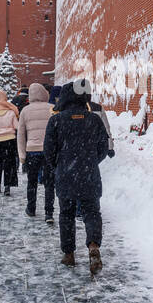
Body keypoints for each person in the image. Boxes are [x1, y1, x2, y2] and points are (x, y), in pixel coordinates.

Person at [44, 78, 110, 274]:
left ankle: (69, 254)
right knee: (91, 212)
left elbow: (49, 150)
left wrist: (60, 164)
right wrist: (89, 162)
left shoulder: (56, 120)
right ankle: (93, 245)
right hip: (89, 175)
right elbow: (103, 148)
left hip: (65, 175)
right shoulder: (94, 120)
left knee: (66, 214)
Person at [17, 83, 55, 223]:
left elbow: (21, 135)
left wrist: (22, 156)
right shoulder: (51, 108)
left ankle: (31, 208)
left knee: (32, 182)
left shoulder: (25, 111)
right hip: (48, 151)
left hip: (32, 151)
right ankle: (49, 213)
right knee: (49, 183)